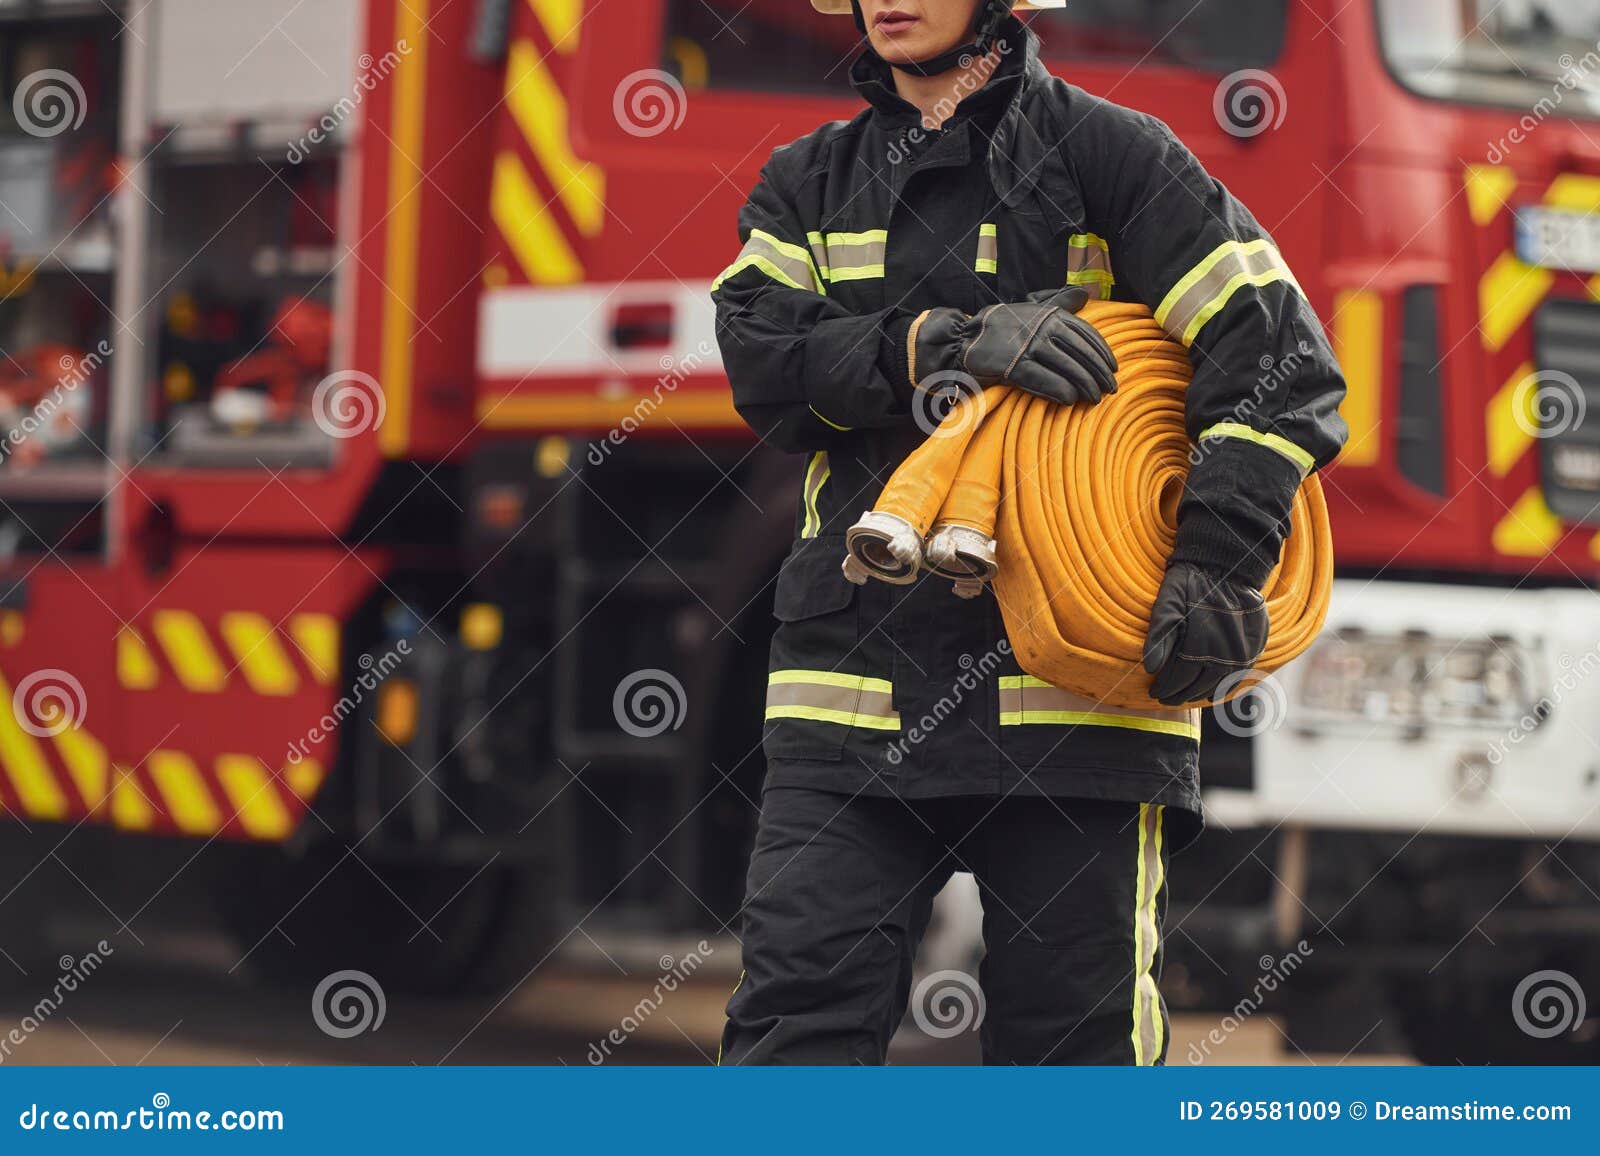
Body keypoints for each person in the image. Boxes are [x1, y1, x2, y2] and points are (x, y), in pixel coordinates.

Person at [710, 0, 1347, 1065]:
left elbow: (1281, 359)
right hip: (850, 699)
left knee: (1075, 1059)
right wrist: (938, 344)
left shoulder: (1115, 156)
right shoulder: (806, 181)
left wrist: (1216, 559)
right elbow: (763, 364)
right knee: (793, 1032)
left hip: (1079, 707)